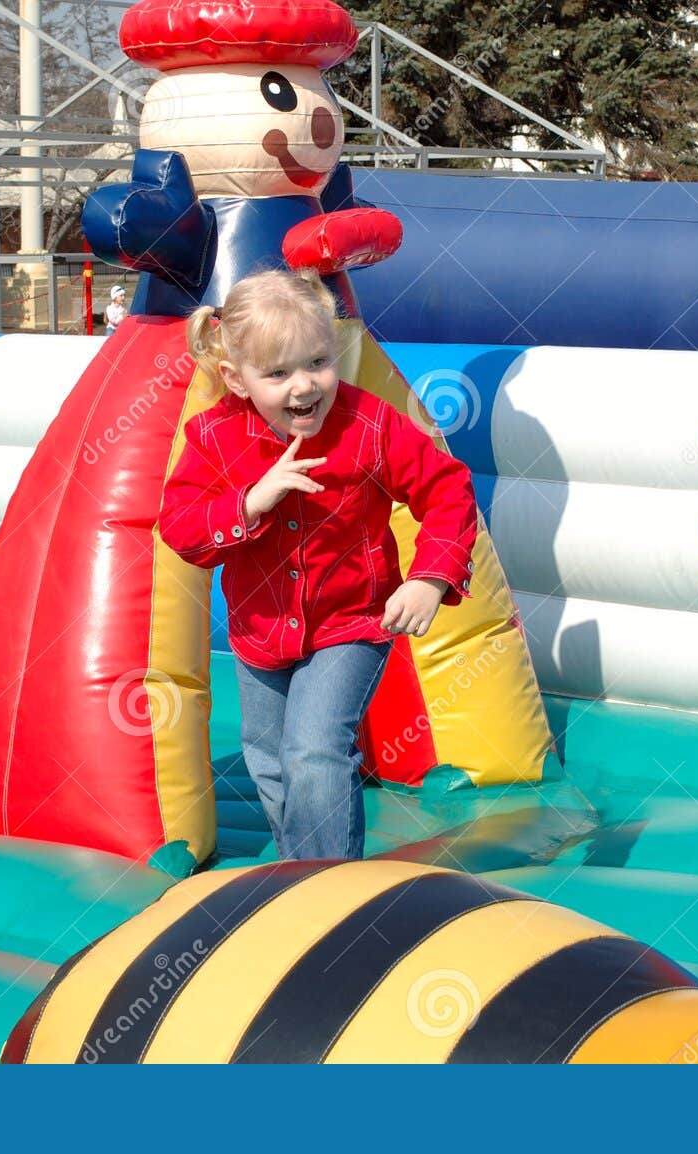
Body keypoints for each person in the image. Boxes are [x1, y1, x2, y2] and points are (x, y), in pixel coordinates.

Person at [158, 269, 478, 860]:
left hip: (351, 623)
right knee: (270, 761)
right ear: (236, 378)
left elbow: (447, 490)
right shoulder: (214, 438)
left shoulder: (370, 426)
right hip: (260, 631)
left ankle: (328, 885)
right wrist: (250, 502)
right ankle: (296, 870)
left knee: (315, 750)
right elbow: (179, 528)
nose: (304, 386)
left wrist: (431, 577)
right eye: (278, 374)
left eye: (317, 363)